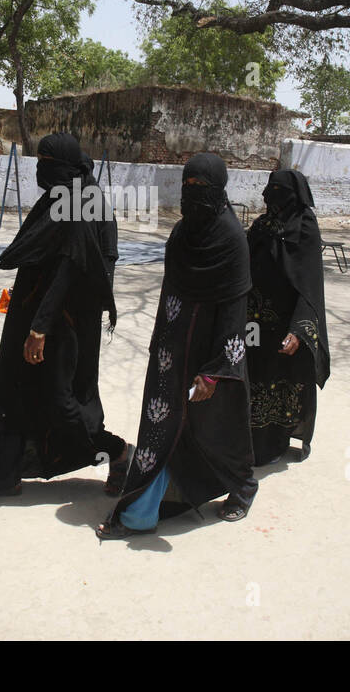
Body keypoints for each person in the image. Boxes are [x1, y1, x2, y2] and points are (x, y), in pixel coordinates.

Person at [0, 132, 129, 500]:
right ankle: (3, 475)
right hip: (34, 316)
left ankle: (117, 451)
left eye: (47, 164)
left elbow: (71, 269)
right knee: (14, 394)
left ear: (65, 166)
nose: (40, 170)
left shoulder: (83, 202)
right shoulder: (60, 198)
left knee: (61, 403)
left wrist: (39, 328)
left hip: (62, 326)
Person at [97, 153, 258, 539]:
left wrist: (215, 371)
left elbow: (235, 312)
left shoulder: (233, 242)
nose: (192, 195)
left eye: (201, 188)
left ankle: (242, 488)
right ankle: (138, 511)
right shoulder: (182, 235)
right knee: (160, 429)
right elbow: (170, 293)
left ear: (219, 191)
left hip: (212, 358)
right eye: (187, 187)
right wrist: (161, 348)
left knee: (216, 433)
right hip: (172, 354)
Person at [245, 170, 331, 466]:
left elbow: (310, 285)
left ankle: (274, 444)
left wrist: (299, 329)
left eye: (281, 190)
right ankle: (250, 442)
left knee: (280, 384)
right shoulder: (260, 226)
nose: (273, 195)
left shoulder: (305, 228)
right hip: (254, 322)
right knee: (254, 378)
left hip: (285, 324)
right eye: (271, 188)